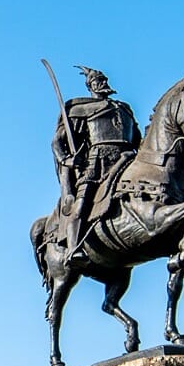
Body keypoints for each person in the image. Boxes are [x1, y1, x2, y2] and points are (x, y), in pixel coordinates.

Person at [52, 66, 141, 265]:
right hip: (98, 163)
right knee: (82, 203)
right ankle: (73, 247)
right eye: (97, 81)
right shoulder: (80, 109)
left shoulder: (125, 108)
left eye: (104, 80)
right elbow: (57, 141)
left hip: (128, 158)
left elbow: (137, 139)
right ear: (90, 86)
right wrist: (67, 160)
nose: (103, 84)